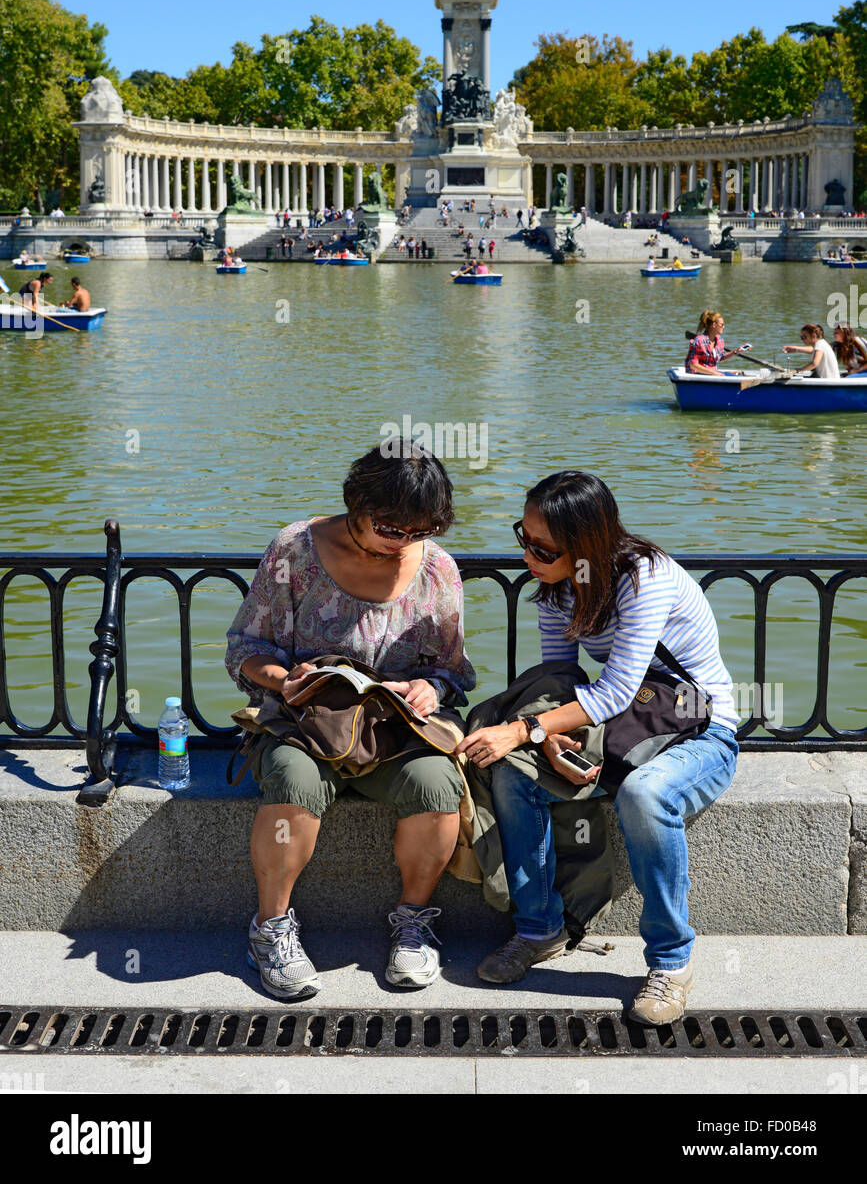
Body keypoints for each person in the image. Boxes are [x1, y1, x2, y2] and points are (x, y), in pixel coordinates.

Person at [458, 471, 739, 1024]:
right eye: (523, 537)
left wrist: (523, 730)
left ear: (586, 543)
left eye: (543, 548)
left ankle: (670, 962)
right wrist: (550, 735)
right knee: (517, 777)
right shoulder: (558, 590)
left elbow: (612, 688)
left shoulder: (645, 579)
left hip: (702, 729)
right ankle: (540, 929)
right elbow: (560, 680)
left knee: (644, 794)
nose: (528, 555)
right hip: (632, 725)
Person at [225, 443, 475, 1000]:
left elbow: (453, 671)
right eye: (389, 525)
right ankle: (271, 928)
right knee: (292, 780)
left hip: (394, 731)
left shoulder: (437, 568)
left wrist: (429, 688)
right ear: (355, 502)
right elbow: (244, 647)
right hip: (305, 724)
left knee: (438, 784)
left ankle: (414, 924)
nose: (402, 541)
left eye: (420, 529)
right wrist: (282, 680)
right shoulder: (296, 548)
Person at [686, 311, 749, 376]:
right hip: (699, 375)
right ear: (714, 325)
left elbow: (721, 357)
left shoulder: (720, 340)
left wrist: (736, 351)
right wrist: (716, 373)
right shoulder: (699, 341)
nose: (723, 327)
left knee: (740, 375)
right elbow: (693, 365)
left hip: (714, 374)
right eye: (722, 324)